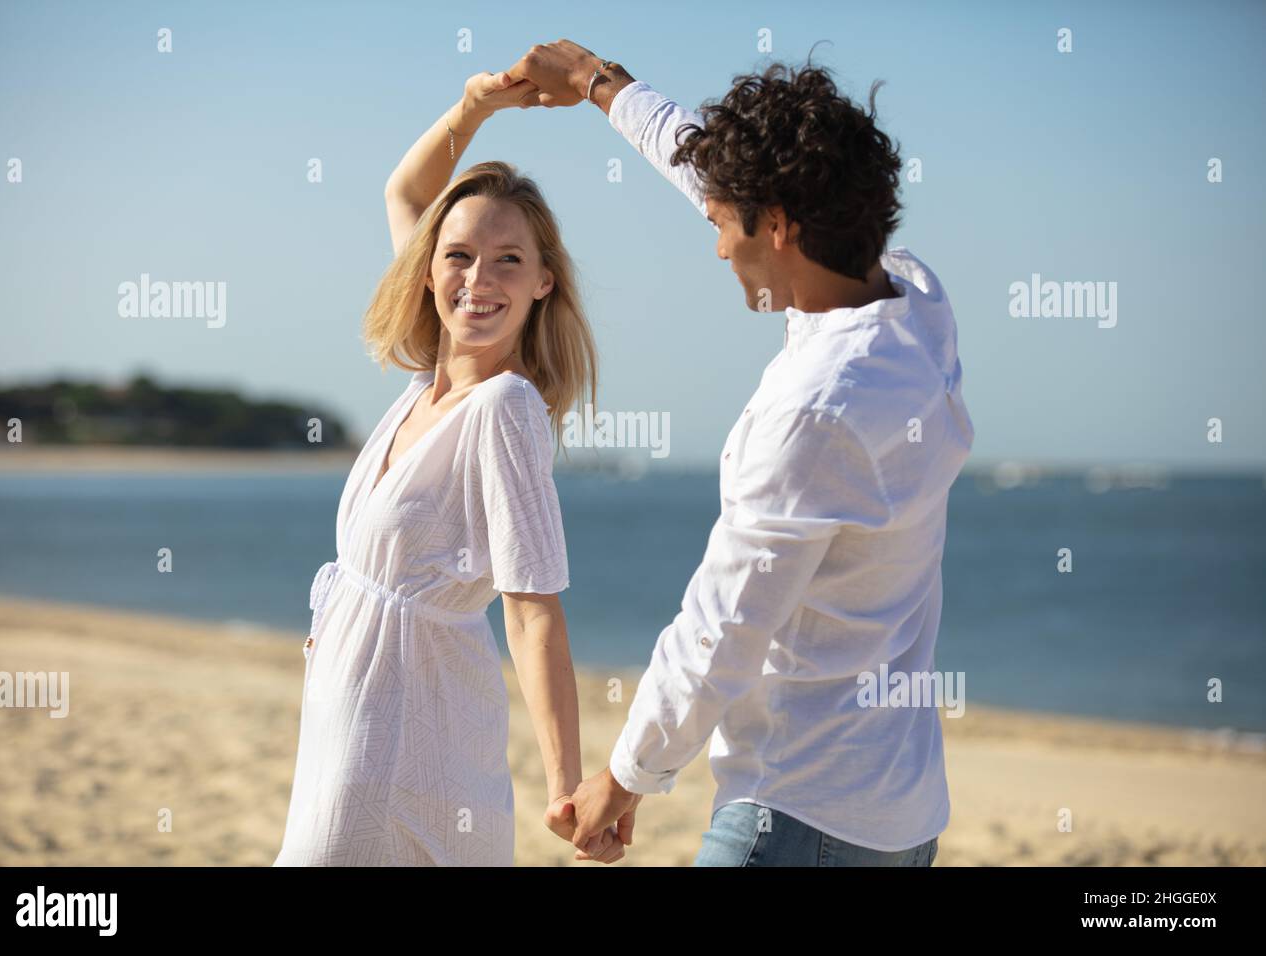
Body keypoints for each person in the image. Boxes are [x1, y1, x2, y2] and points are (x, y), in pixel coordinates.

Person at [506, 41, 976, 866]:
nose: (718, 246)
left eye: (726, 227)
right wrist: (599, 87)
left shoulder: (814, 412)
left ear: (781, 227)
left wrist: (624, 779)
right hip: (903, 814)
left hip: (796, 812)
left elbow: (722, 628)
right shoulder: (911, 299)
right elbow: (722, 180)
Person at [273, 70, 624, 866]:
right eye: (459, 254)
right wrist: (479, 106)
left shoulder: (504, 410)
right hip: (345, 719)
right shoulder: (426, 380)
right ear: (429, 268)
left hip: (404, 737)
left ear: (544, 282)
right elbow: (405, 190)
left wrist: (566, 790)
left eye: (508, 260)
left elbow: (533, 610)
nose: (478, 280)